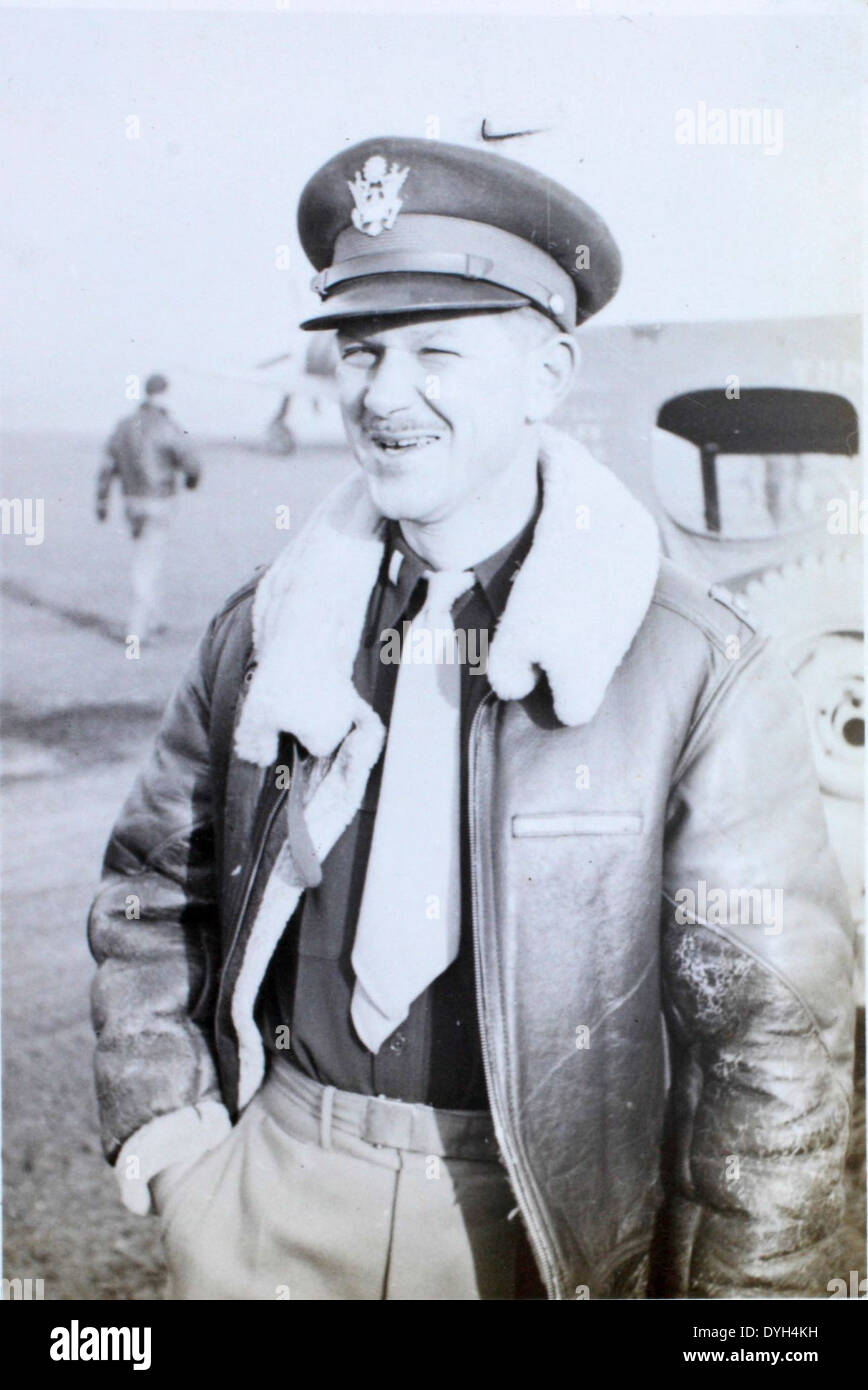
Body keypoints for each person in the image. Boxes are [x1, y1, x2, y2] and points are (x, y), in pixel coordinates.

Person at [88, 137, 854, 1301]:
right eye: (362, 352)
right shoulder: (267, 629)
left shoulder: (689, 662)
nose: (385, 395)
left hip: (542, 1228)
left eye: (437, 351)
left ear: (547, 375)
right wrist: (169, 1127)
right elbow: (151, 885)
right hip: (265, 1201)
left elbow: (772, 1037)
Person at [96, 372, 201, 641]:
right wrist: (191, 481)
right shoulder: (168, 426)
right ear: (164, 393)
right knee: (148, 564)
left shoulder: (124, 425)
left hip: (132, 503)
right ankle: (137, 630)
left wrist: (102, 501)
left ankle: (154, 620)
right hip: (159, 501)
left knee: (146, 556)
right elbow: (191, 461)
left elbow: (107, 467)